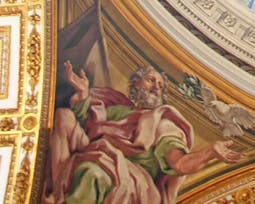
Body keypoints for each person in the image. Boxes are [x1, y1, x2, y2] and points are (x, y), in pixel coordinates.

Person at [46, 61, 242, 202]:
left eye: (160, 86)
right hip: (95, 151)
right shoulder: (117, 110)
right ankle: (58, 191)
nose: (156, 87)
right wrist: (82, 95)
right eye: (151, 80)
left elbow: (180, 164)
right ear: (135, 85)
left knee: (92, 173)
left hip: (130, 176)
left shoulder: (163, 122)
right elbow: (86, 129)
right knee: (63, 115)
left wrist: (210, 151)